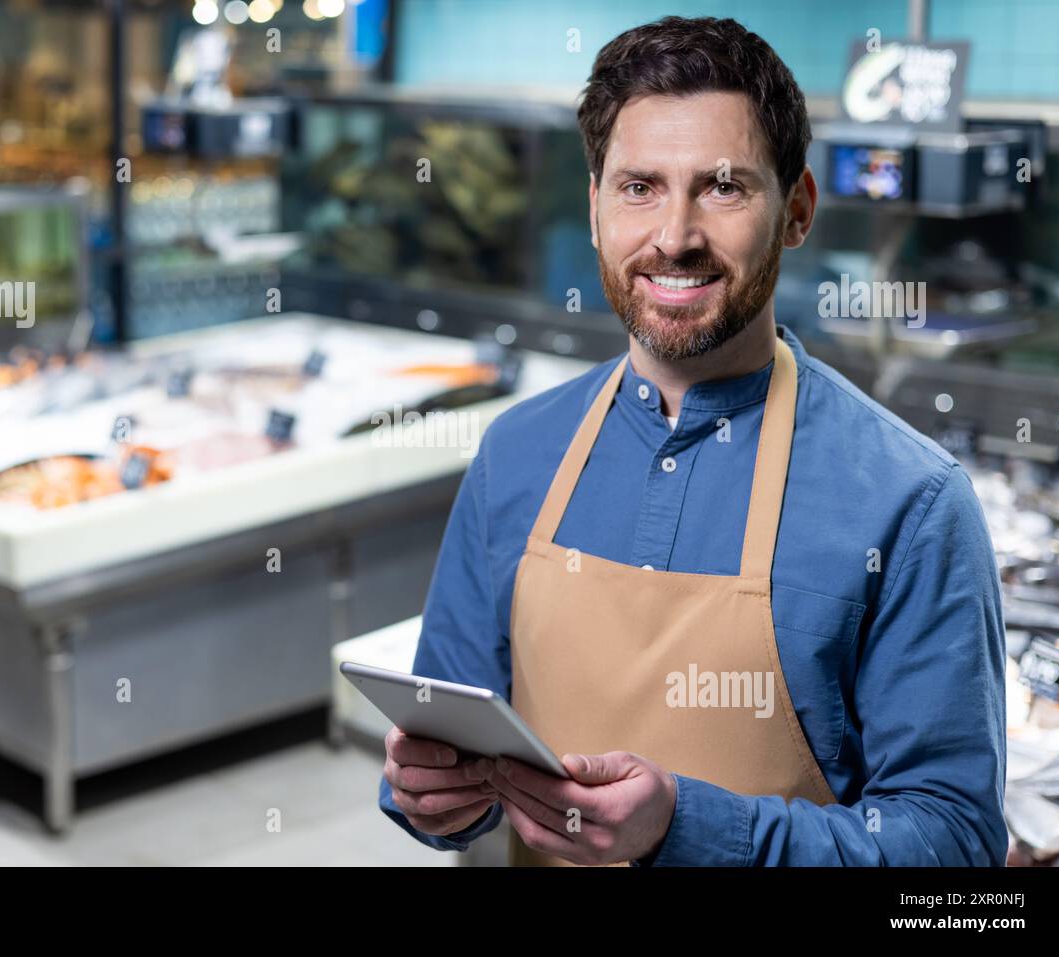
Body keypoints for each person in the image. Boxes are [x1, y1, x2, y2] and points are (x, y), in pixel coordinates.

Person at [377, 15, 1007, 866]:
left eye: (722, 187)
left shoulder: (911, 502)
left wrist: (689, 828)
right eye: (639, 186)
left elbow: (954, 850)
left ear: (798, 211)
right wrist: (430, 798)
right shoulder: (515, 452)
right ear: (593, 208)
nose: (674, 236)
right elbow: (447, 740)